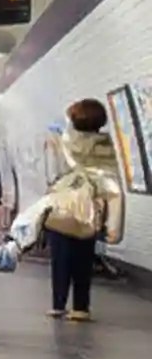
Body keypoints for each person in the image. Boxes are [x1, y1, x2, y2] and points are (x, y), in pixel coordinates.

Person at [46, 98, 125, 321]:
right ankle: (81, 307)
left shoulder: (63, 143)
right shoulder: (105, 147)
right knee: (84, 259)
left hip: (64, 207)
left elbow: (53, 174)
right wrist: (114, 226)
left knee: (60, 258)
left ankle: (58, 304)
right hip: (91, 210)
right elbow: (111, 185)